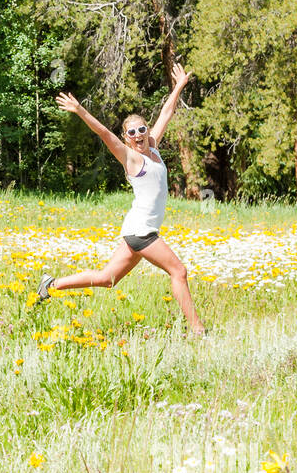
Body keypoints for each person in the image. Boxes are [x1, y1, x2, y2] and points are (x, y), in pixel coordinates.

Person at [37, 61, 205, 335]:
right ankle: (198, 330)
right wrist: (80, 110)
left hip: (136, 230)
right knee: (179, 272)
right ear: (126, 139)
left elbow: (166, 112)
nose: (138, 135)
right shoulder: (131, 158)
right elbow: (103, 133)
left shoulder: (154, 148)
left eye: (142, 130)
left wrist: (178, 86)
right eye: (132, 132)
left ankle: (51, 285)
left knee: (107, 278)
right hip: (141, 232)